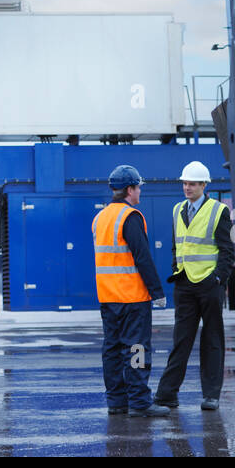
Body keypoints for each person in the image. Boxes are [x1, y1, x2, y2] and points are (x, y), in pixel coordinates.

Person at [153, 160, 233, 412]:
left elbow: (227, 251)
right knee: (181, 340)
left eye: (192, 184)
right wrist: (177, 268)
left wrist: (218, 279)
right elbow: (177, 244)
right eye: (185, 183)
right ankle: (167, 396)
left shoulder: (219, 211)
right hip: (185, 283)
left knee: (212, 339)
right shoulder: (178, 209)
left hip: (210, 285)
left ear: (204, 185)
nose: (187, 187)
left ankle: (211, 395)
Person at [94, 164, 170, 417]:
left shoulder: (100, 218)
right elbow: (142, 257)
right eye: (138, 187)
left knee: (112, 349)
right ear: (129, 189)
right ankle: (139, 402)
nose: (140, 192)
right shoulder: (130, 217)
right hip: (132, 297)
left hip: (108, 297)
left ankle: (116, 402)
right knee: (137, 349)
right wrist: (157, 292)